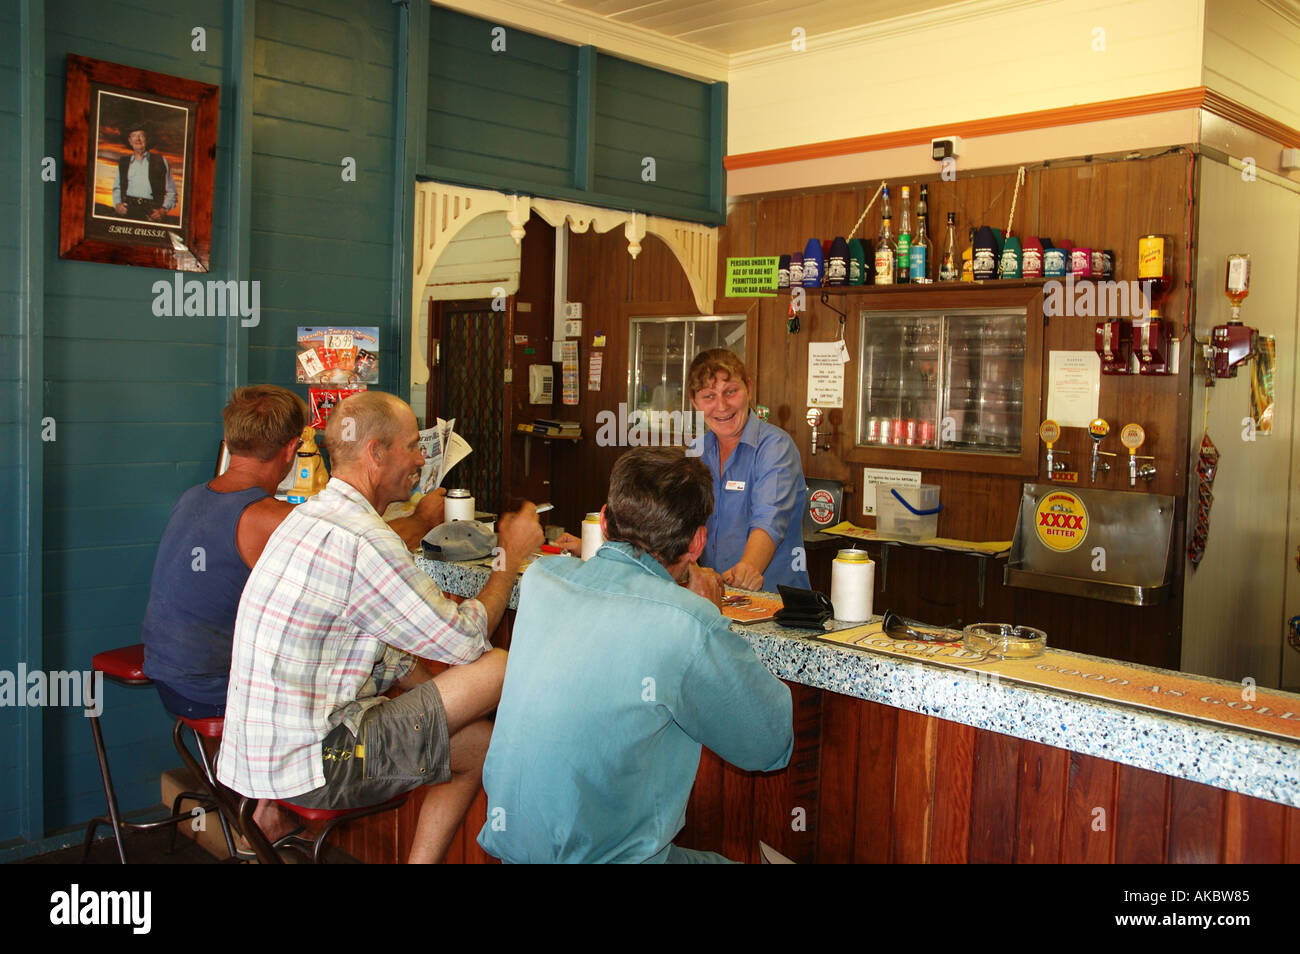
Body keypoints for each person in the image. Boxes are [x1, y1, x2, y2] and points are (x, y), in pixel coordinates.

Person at [217, 390, 544, 864]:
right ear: (376, 453)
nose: (420, 459)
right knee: (497, 664)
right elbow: (465, 640)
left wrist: (435, 705)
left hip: (261, 757)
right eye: (412, 445)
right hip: (317, 764)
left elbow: (376, 647)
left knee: (479, 746)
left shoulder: (308, 516)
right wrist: (507, 560)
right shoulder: (365, 540)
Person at [141, 384, 446, 840]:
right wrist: (422, 519)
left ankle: (267, 805)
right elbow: (361, 550)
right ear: (290, 452)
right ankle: (285, 795)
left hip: (166, 672)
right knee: (353, 647)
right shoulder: (265, 518)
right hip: (210, 687)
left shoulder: (192, 496)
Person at [478, 446, 793, 863]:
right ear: (698, 542)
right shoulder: (687, 624)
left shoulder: (541, 579)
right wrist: (708, 615)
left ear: (604, 522)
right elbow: (769, 745)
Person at [687, 349, 810, 592]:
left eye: (730, 392)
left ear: (749, 389)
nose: (722, 406)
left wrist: (749, 566)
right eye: (709, 396)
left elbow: (769, 519)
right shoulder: (695, 452)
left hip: (777, 602)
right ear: (694, 402)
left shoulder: (775, 447)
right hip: (717, 599)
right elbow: (681, 522)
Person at [112, 122, 178, 222]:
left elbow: (172, 192)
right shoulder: (123, 162)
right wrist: (117, 205)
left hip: (152, 213)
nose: (138, 139)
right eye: (134, 136)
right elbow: (117, 188)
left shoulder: (160, 161)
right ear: (130, 141)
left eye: (141, 135)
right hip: (127, 211)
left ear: (147, 139)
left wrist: (163, 211)